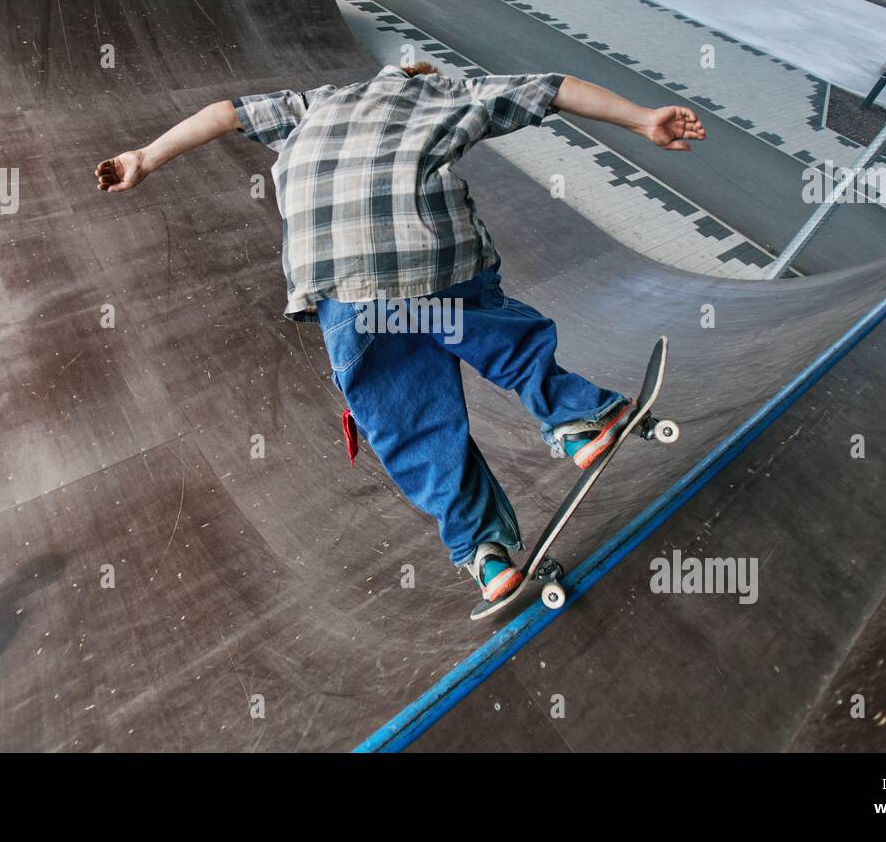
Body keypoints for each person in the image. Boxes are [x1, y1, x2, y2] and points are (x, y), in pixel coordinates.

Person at [96, 62, 705, 604]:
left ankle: (484, 555)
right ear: (420, 74)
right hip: (426, 255)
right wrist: (644, 118)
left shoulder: (312, 104)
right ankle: (577, 420)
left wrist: (142, 159)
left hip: (340, 286)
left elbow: (221, 114)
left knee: (409, 423)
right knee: (491, 332)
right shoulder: (448, 92)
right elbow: (555, 88)